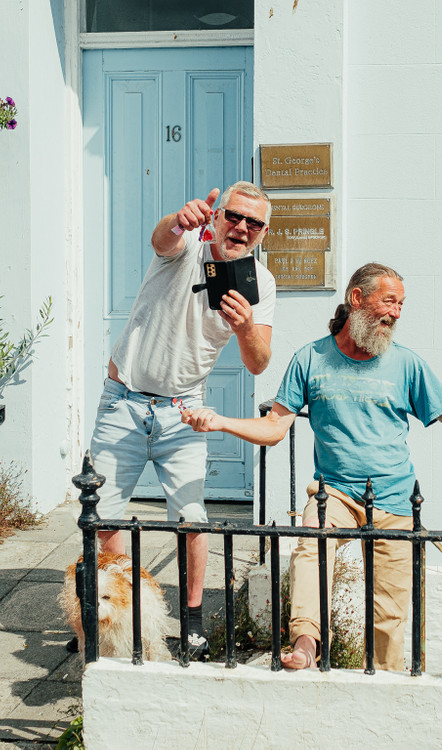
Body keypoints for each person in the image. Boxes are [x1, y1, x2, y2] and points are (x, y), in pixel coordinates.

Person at [182, 262, 442, 670]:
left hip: (396, 501)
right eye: (390, 301)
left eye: (402, 304)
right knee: (310, 545)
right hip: (336, 492)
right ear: (356, 299)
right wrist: (221, 421)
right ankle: (306, 646)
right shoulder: (311, 359)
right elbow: (276, 426)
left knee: (389, 616)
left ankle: (384, 681)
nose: (397, 313)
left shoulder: (406, 364)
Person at [87, 181, 277, 656]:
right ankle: (114, 617)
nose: (241, 228)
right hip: (124, 401)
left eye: (253, 223)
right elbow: (160, 240)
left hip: (183, 411)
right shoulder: (188, 244)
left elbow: (258, 362)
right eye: (234, 216)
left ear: (263, 232)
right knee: (103, 519)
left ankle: (190, 622)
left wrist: (247, 327)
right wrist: (179, 219)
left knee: (192, 519)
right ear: (218, 216)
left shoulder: (260, 282)